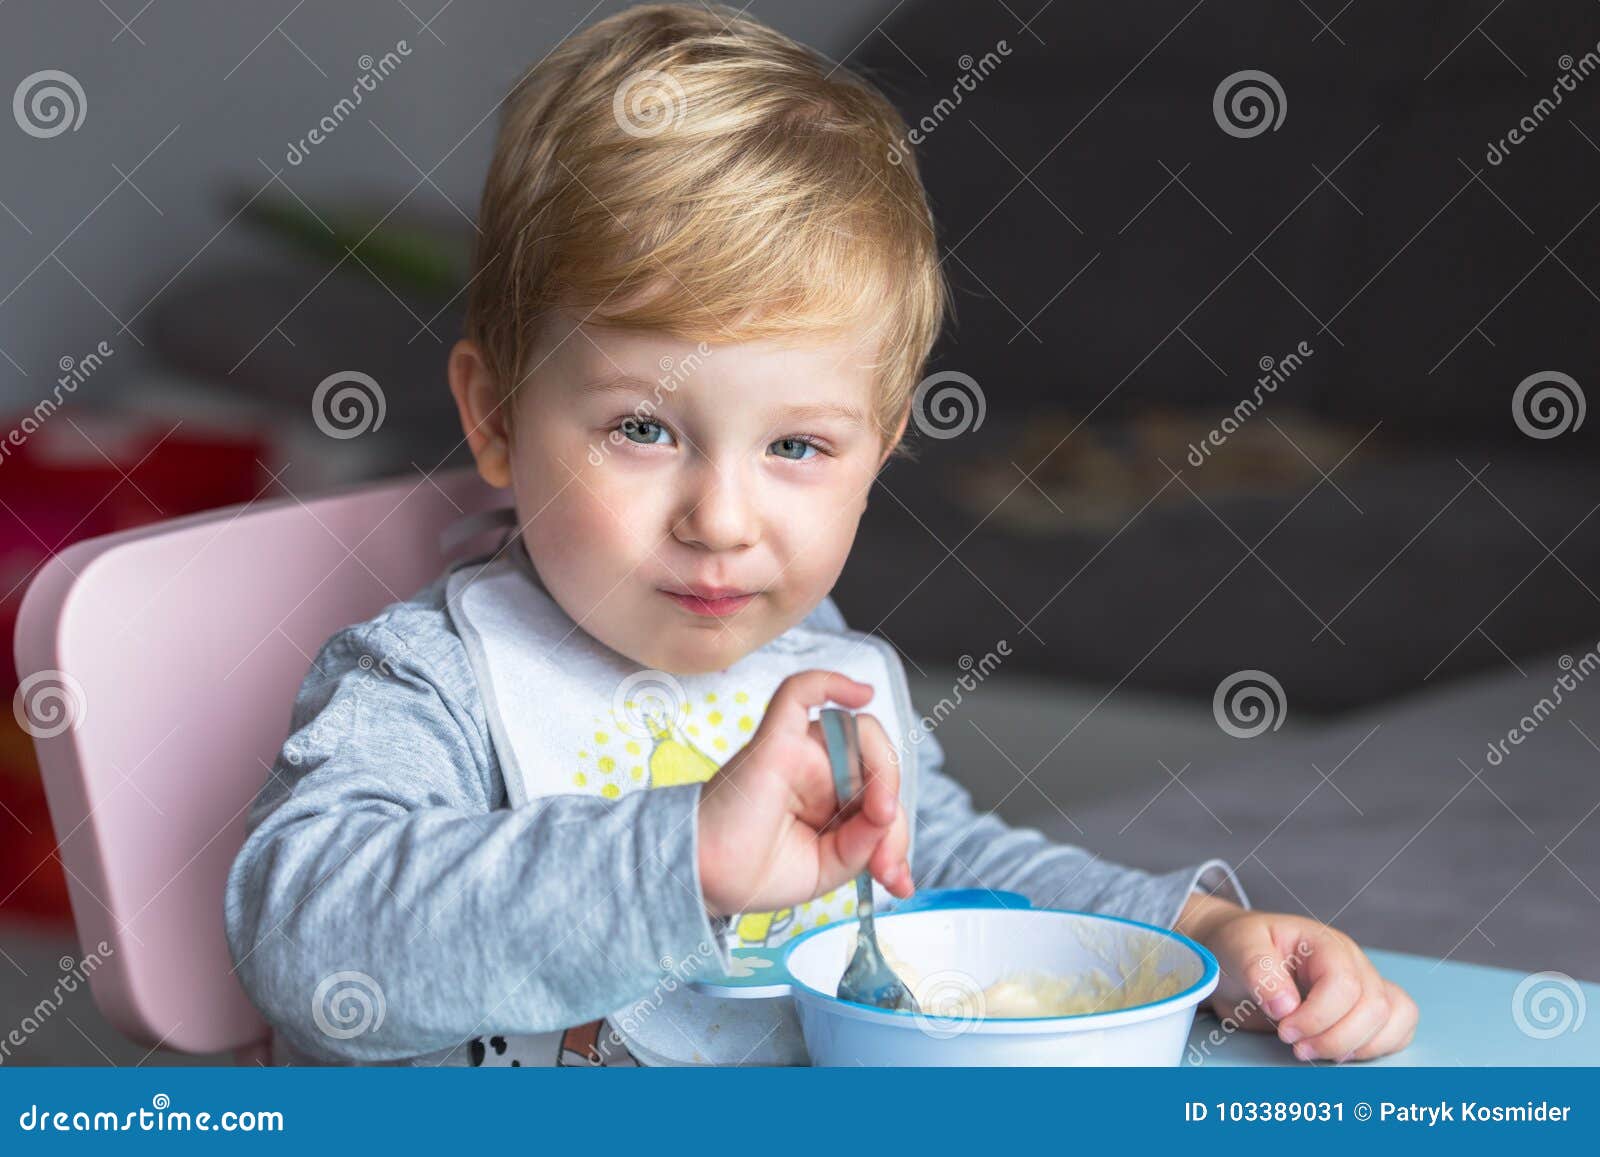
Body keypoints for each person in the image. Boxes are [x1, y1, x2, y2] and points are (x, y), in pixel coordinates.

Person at [224, 2, 1416, 1068]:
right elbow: (306, 938)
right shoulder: (429, 683)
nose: (721, 519)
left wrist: (1193, 931)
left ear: (884, 444)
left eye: (796, 446)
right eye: (642, 426)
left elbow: (935, 865)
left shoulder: (816, 666)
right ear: (494, 416)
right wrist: (681, 852)